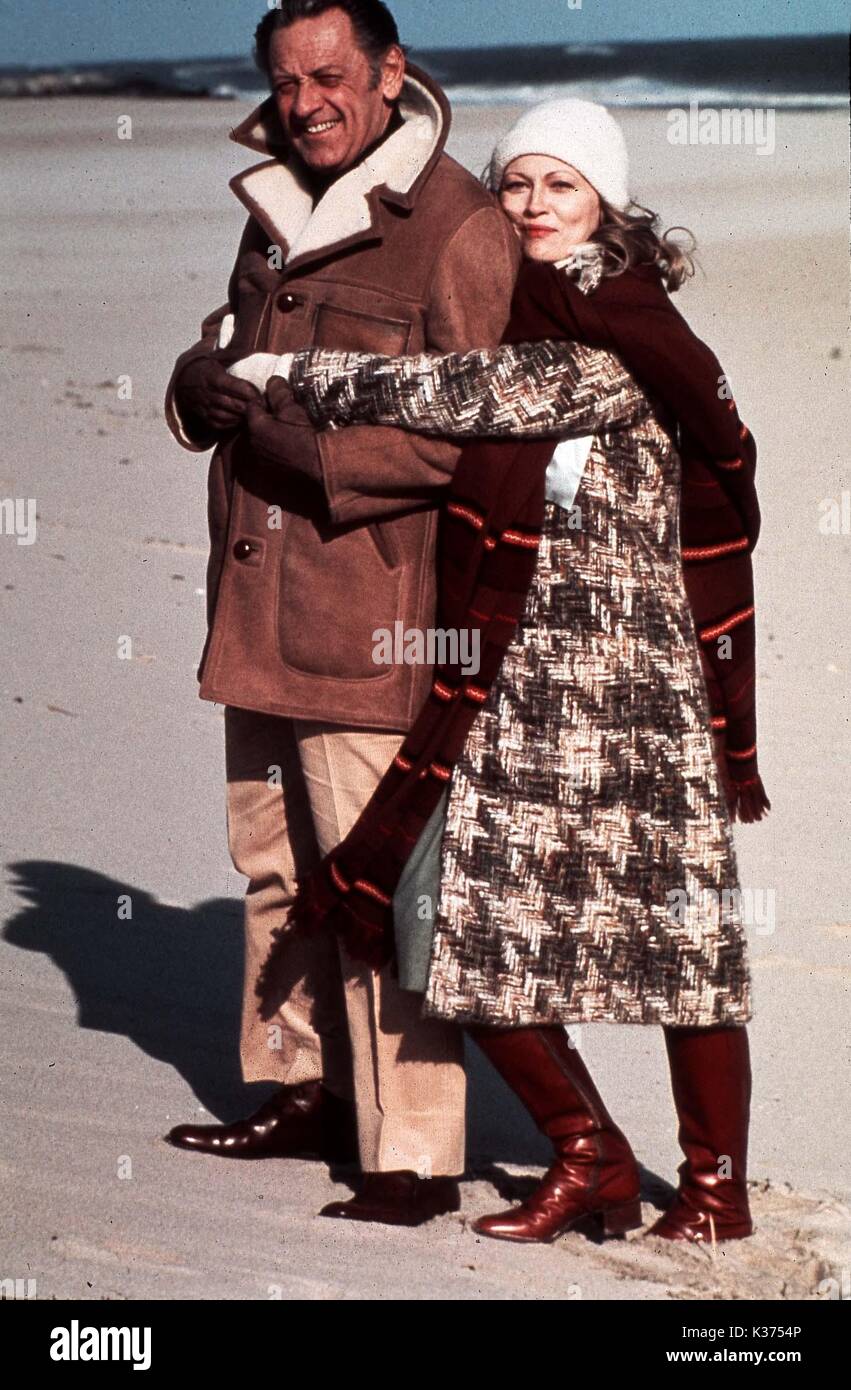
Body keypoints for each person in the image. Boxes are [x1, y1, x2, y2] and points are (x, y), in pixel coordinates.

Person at [227, 98, 770, 1243]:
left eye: (558, 186)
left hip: (636, 700)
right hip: (521, 688)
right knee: (465, 931)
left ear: (604, 203)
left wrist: (301, 370)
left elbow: (468, 395)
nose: (530, 205)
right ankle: (591, 1156)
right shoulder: (530, 310)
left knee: (682, 951)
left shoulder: (621, 327)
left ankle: (714, 1193)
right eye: (513, 183)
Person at [162, 5, 640, 1229]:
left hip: (376, 618)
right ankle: (299, 1090)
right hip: (255, 604)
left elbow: (478, 429)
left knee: (375, 883)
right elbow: (236, 341)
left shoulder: (462, 229)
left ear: (389, 73)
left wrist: (290, 437)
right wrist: (193, 380)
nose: (306, 101)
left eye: (330, 76)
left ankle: (410, 1154)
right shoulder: (268, 199)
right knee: (273, 866)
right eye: (284, 80)